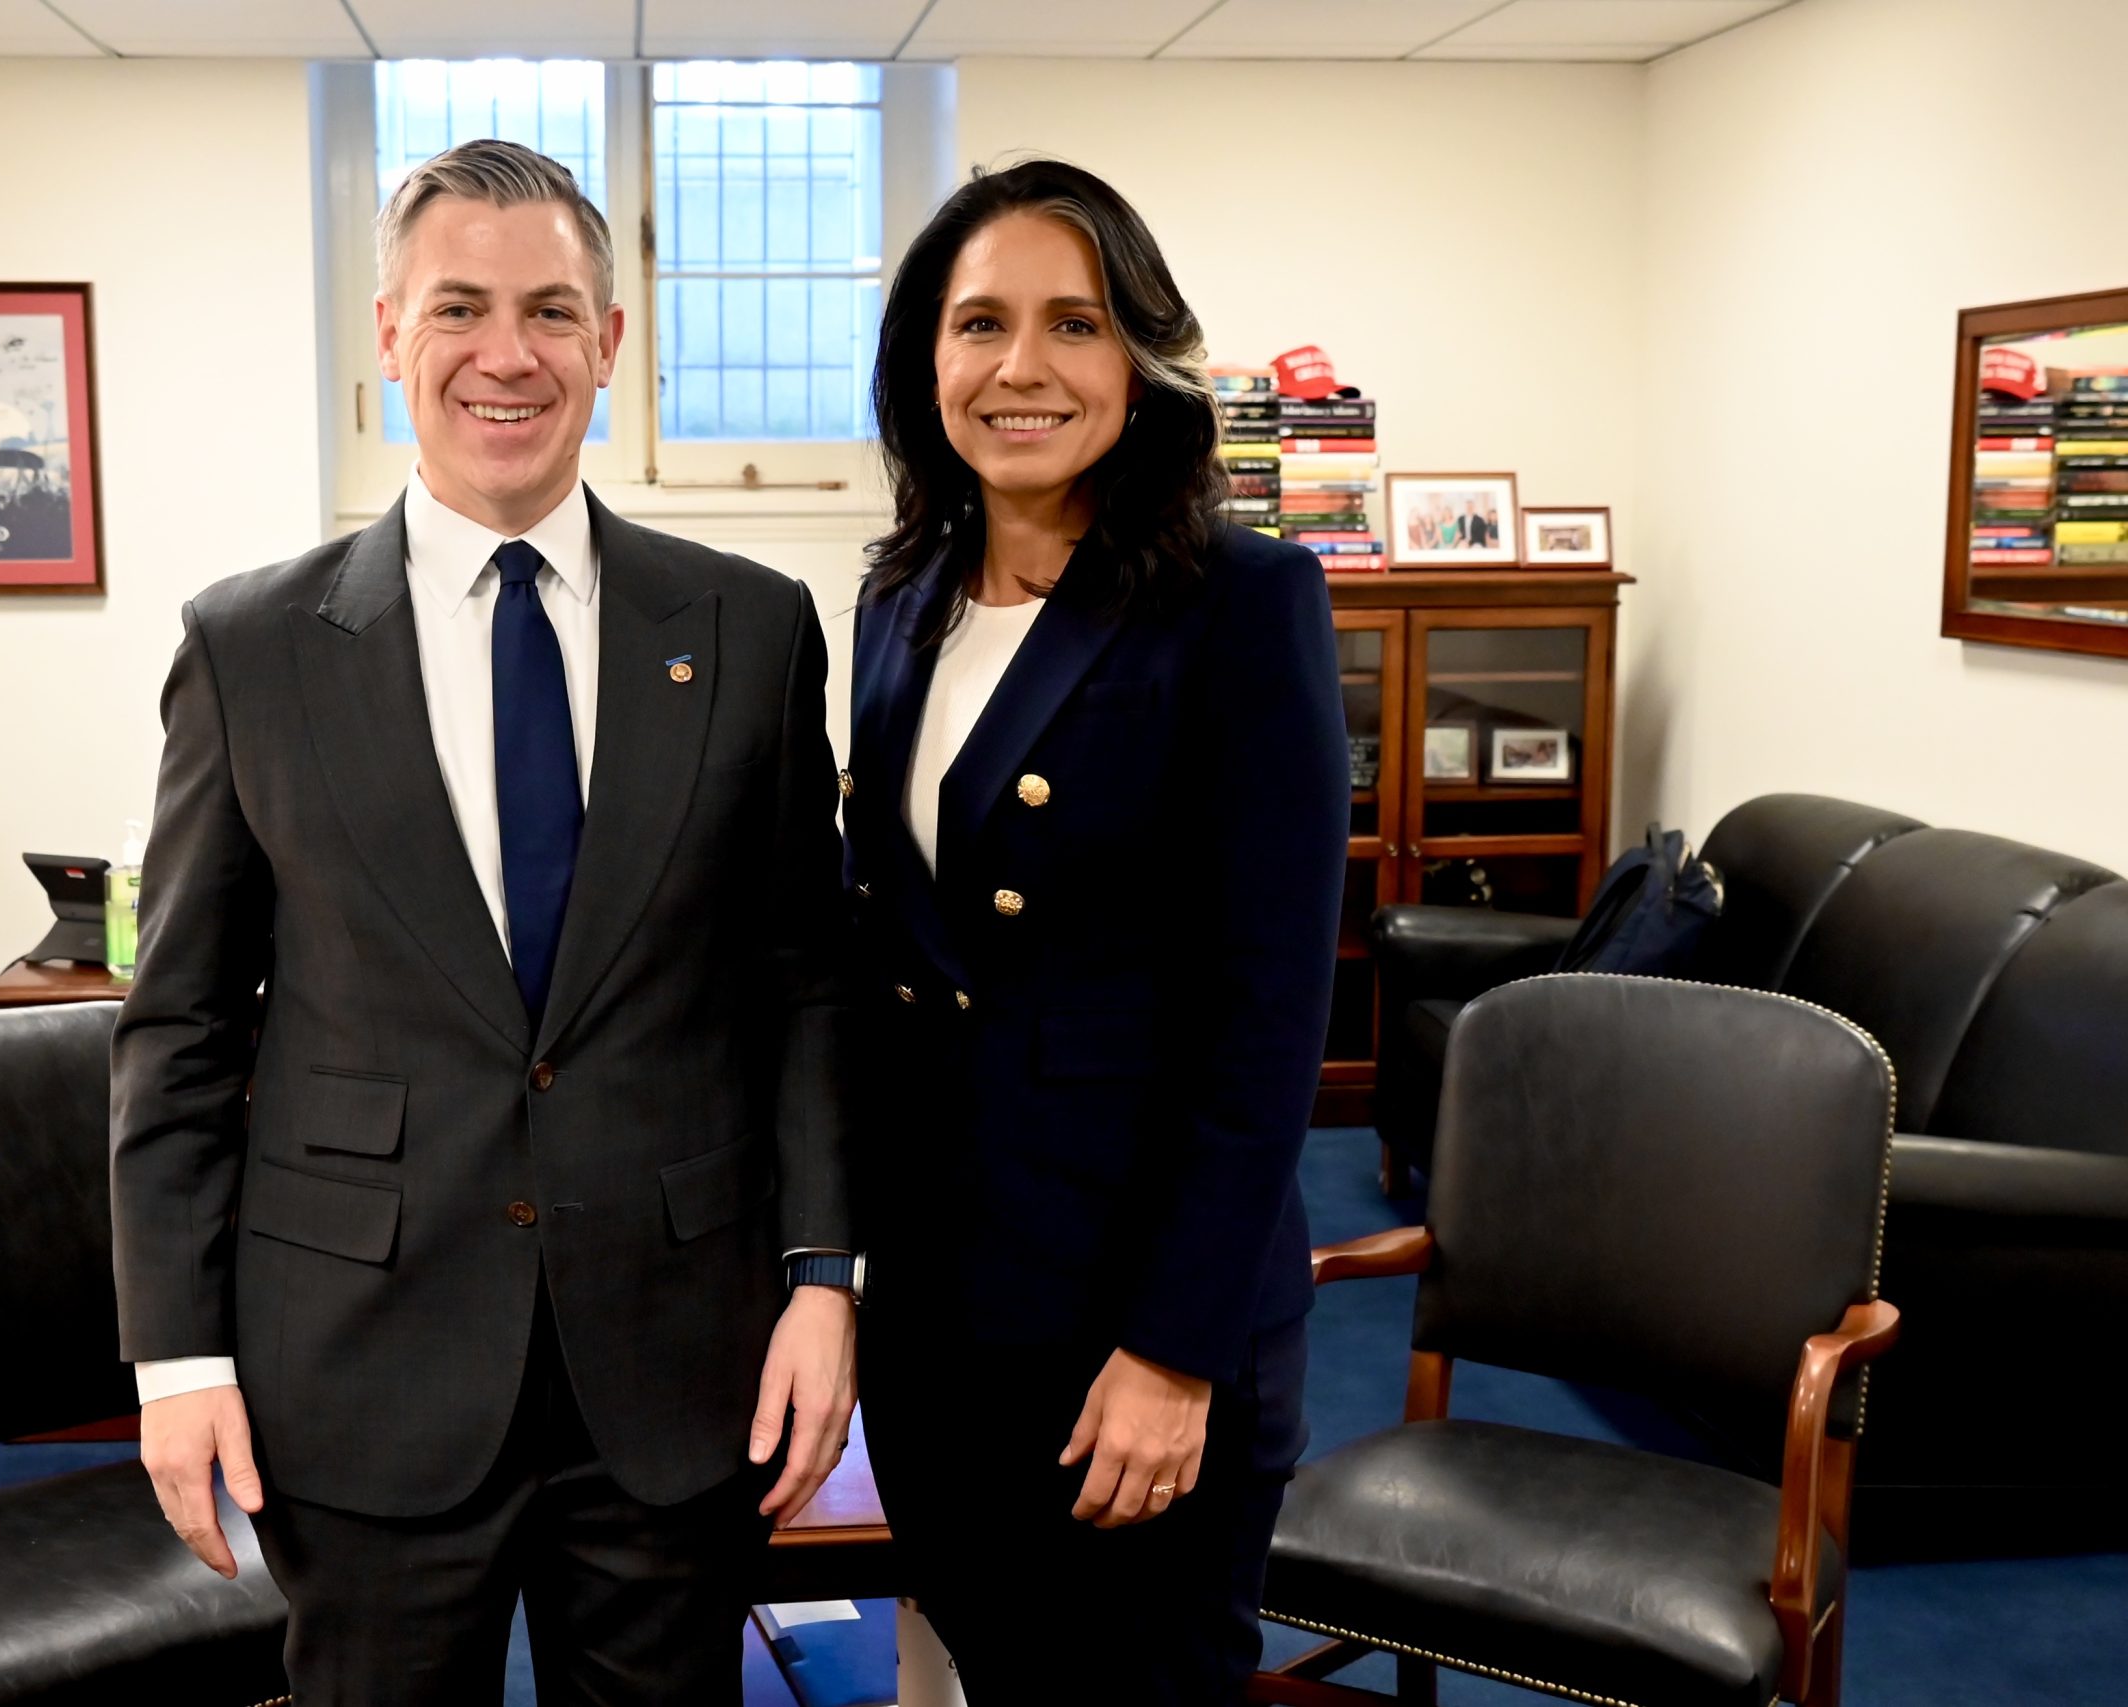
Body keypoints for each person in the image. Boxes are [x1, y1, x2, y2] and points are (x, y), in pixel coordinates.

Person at [110, 138, 858, 1706]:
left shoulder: (748, 628)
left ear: (610, 342)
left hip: (672, 1363)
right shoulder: (251, 648)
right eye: (458, 309)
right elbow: (180, 1025)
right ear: (390, 335)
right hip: (363, 1365)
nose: (505, 355)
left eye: (549, 311)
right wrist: (177, 1357)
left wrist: (822, 1277)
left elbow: (800, 983)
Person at [843, 159, 1348, 1703]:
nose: (1021, 368)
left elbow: (1267, 1026)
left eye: (1074, 324)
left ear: (1141, 357)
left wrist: (1175, 1352)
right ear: (925, 363)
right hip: (944, 1319)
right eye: (977, 322)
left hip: (1132, 1327)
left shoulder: (1242, 605)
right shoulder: (901, 598)